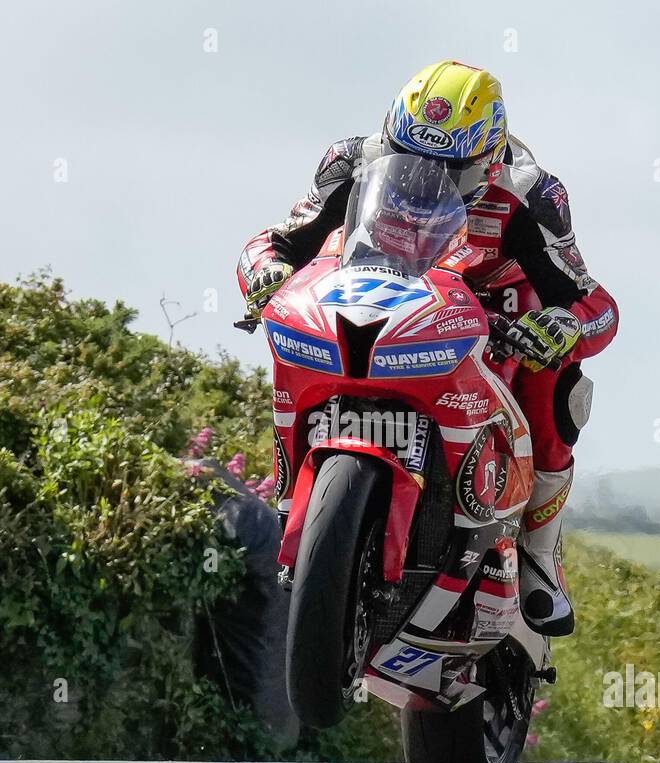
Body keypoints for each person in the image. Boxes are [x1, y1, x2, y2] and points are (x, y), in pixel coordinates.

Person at [236, 60, 619, 637]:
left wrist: (562, 326)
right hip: (377, 298)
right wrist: (265, 273)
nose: (424, 182)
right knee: (297, 337)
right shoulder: (348, 162)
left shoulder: (533, 193)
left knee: (555, 380)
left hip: (491, 313)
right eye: (408, 159)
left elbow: (595, 302)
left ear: (489, 160)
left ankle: (539, 552)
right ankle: (292, 500)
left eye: (449, 171)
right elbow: (279, 242)